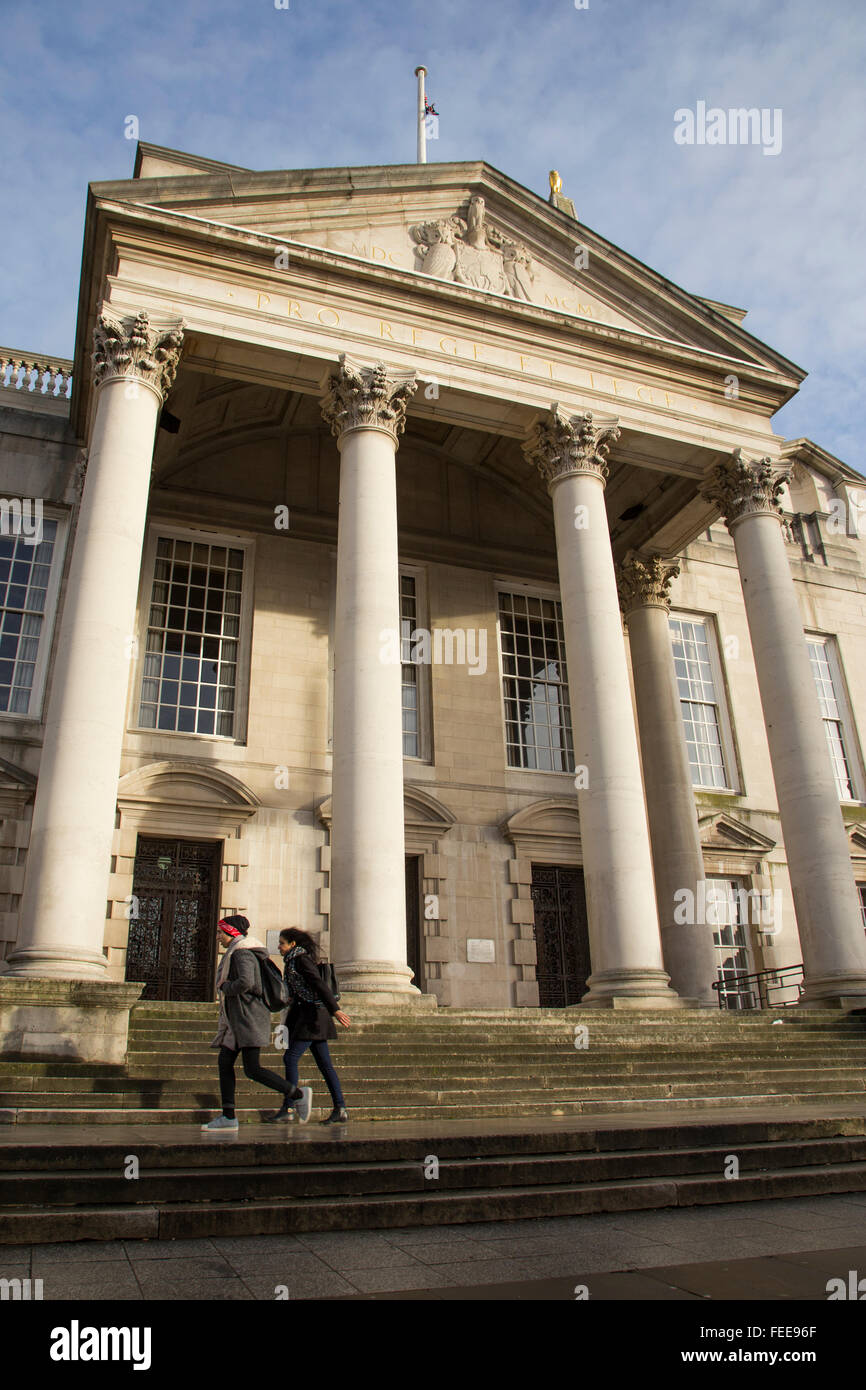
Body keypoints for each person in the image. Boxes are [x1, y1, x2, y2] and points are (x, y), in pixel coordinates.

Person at [202, 915, 312, 1131]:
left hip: (248, 1018)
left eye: (220, 933)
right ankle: (228, 1116)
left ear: (231, 932)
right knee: (225, 1063)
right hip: (238, 1020)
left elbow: (247, 982)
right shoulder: (239, 951)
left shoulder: (242, 953)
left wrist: (225, 987)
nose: (218, 937)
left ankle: (297, 1094)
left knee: (252, 1069)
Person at [264, 928, 351, 1125]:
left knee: (290, 1057)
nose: (279, 946)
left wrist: (335, 1010)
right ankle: (341, 1108)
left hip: (313, 1018)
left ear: (293, 944)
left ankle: (289, 1106)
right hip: (306, 1017)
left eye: (282, 943)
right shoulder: (292, 962)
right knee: (325, 1065)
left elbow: (319, 984)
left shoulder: (301, 960)